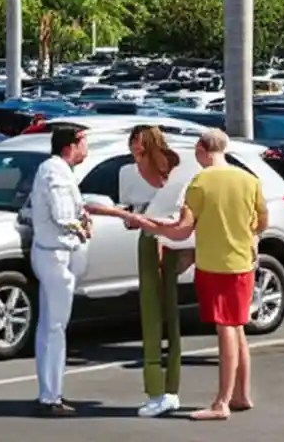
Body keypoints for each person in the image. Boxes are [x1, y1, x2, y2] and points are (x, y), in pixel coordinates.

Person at [134, 129, 267, 421]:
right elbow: (260, 221)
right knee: (238, 326)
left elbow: (183, 228)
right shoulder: (250, 180)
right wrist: (250, 241)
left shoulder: (201, 182)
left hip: (216, 265)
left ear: (202, 149)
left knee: (226, 329)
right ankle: (241, 394)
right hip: (243, 263)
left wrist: (148, 225)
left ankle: (221, 403)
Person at [89, 125, 195, 417]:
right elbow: (133, 212)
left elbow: (182, 204)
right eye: (133, 141)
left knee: (167, 315)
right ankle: (158, 389)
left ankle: (166, 391)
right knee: (152, 312)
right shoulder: (129, 172)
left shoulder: (172, 163)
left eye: (140, 141)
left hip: (171, 237)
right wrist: (131, 215)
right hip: (151, 238)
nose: (136, 146)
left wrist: (188, 248)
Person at [28, 125, 91, 417]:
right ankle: (51, 397)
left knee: (50, 326)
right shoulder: (55, 171)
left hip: (52, 253)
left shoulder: (56, 170)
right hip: (55, 255)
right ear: (71, 145)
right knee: (55, 328)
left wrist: (82, 217)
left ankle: (48, 392)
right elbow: (63, 214)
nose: (86, 148)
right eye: (84, 143)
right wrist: (81, 226)